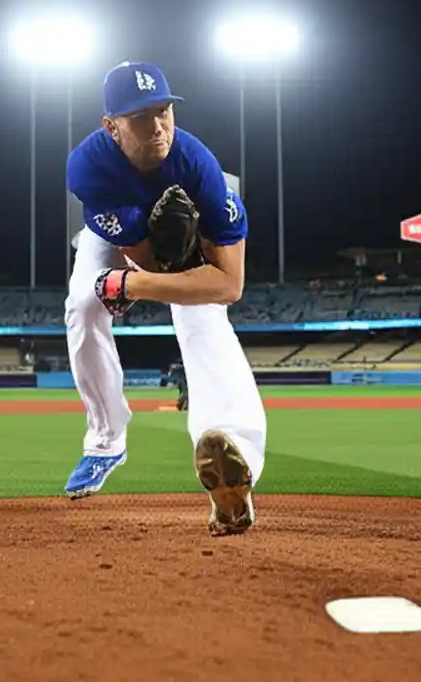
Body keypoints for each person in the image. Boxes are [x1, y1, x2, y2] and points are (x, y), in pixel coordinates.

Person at [60, 60, 267, 536]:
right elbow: (147, 261)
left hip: (190, 237)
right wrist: (135, 277)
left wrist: (133, 286)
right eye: (140, 118)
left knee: (204, 317)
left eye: (164, 111)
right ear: (111, 127)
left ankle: (236, 458)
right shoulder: (89, 168)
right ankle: (106, 440)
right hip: (119, 232)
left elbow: (229, 285)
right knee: (83, 304)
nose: (157, 126)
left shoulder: (199, 168)